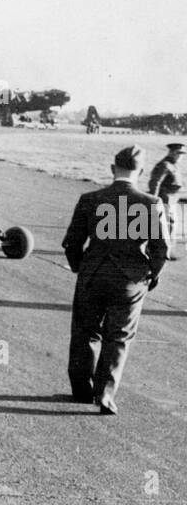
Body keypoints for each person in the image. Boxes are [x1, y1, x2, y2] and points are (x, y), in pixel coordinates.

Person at [61, 144, 169, 415]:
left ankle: (82, 390)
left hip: (93, 274)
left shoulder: (90, 199)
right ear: (141, 171)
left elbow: (72, 243)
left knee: (85, 332)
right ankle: (106, 396)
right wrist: (150, 277)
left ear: (112, 169)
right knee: (119, 337)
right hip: (130, 280)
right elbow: (161, 250)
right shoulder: (151, 203)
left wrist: (81, 268)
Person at [147, 142, 185, 256]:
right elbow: (155, 183)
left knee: (170, 225)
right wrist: (153, 201)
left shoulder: (174, 165)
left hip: (172, 200)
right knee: (166, 226)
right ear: (171, 152)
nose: (180, 156)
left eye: (182, 153)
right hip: (164, 200)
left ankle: (167, 251)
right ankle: (163, 252)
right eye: (178, 153)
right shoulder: (165, 165)